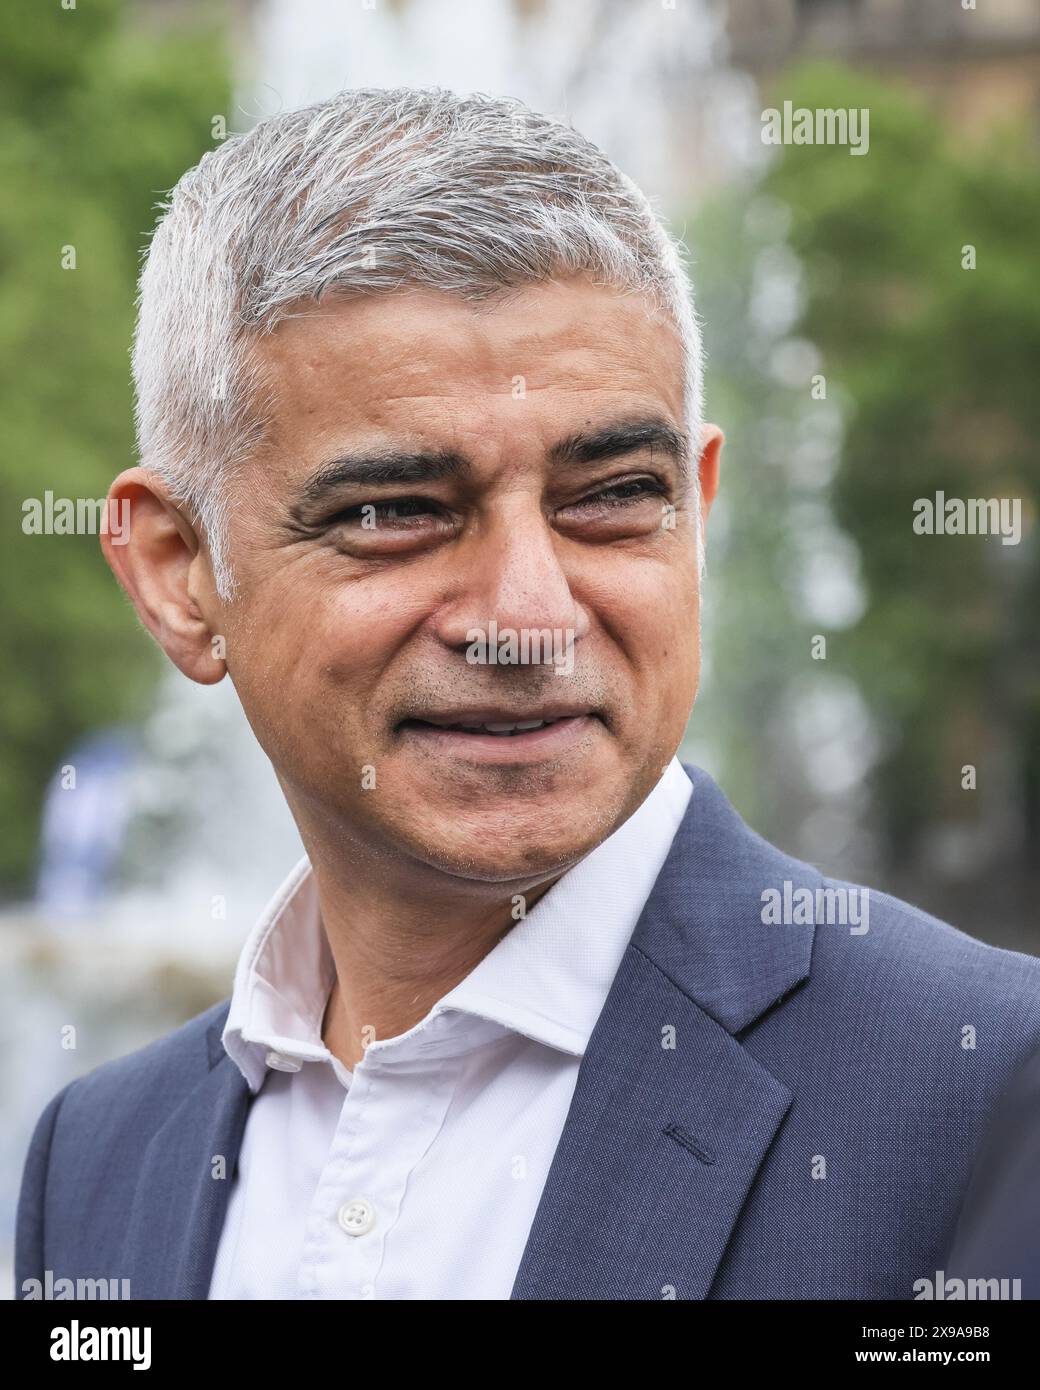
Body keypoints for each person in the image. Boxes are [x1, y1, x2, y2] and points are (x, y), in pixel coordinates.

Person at [15, 86, 1040, 1301]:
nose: (525, 616)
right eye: (395, 512)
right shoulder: (93, 1161)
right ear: (182, 577)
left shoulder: (987, 1094)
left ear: (697, 509)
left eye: (609, 494)